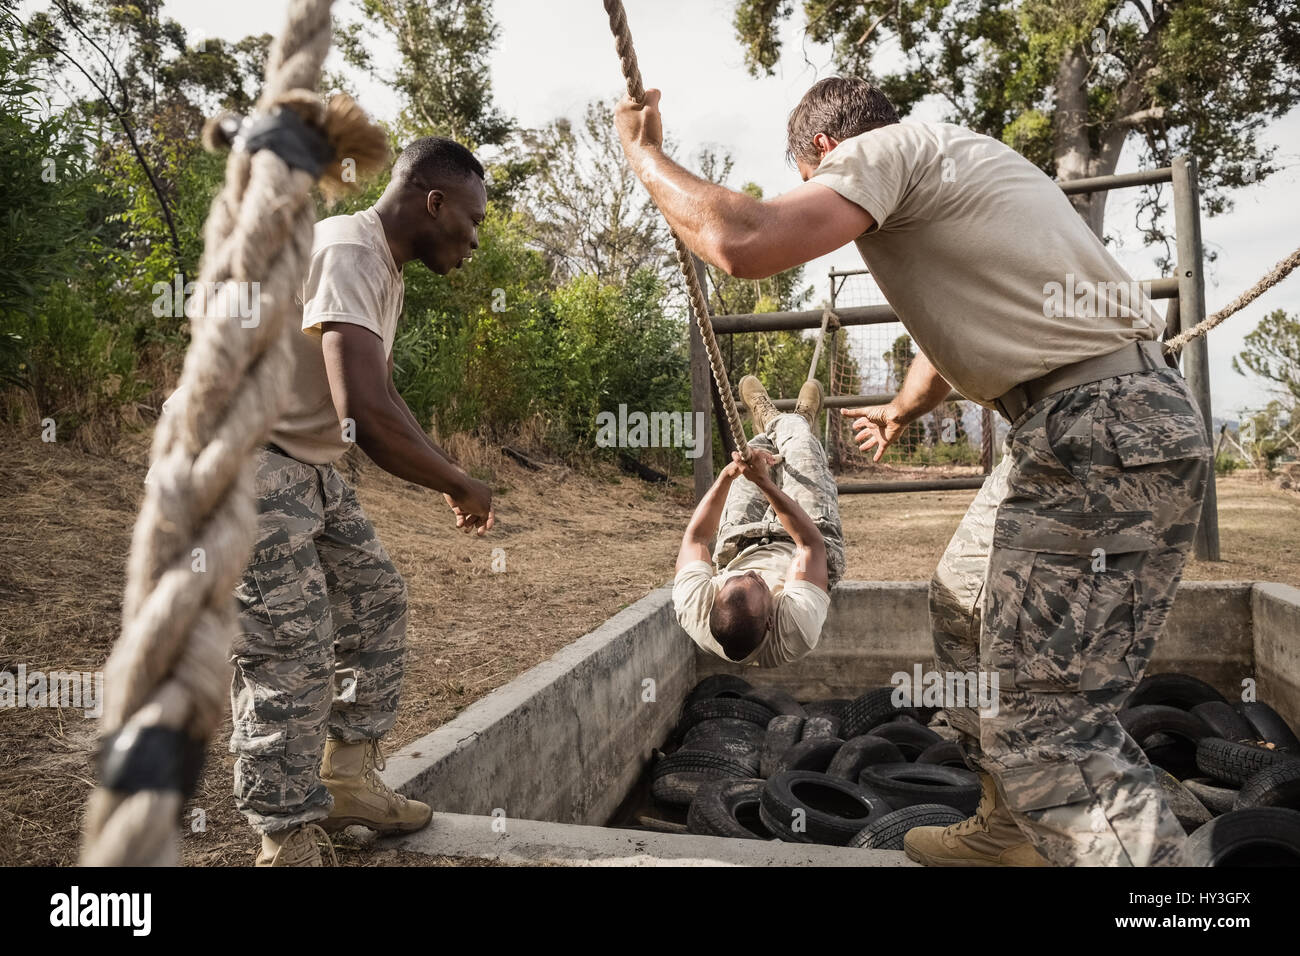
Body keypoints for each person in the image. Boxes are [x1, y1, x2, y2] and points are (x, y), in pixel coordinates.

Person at [615, 76, 1210, 867]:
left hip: (1100, 427)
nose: (822, 197)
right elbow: (942, 339)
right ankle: (1011, 825)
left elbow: (743, 242)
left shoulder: (879, 153)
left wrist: (642, 152)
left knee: (1049, 725)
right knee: (962, 601)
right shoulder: (958, 168)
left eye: (813, 182)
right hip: (1071, 423)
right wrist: (900, 412)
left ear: (825, 150)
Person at [231, 136, 495, 867]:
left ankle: (345, 781)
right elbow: (365, 416)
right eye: (471, 222)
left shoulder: (381, 263)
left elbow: (383, 394)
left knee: (376, 598)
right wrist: (455, 482)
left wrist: (451, 468)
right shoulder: (349, 249)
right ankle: (282, 834)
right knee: (291, 646)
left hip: (304, 465)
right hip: (246, 462)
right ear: (433, 202)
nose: (474, 242)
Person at [672, 376, 845, 667]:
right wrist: (764, 483)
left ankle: (779, 424)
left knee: (753, 450)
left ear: (714, 599)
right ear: (770, 621)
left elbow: (696, 538)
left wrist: (728, 475)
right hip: (808, 544)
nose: (753, 573)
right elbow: (809, 544)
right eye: (760, 584)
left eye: (739, 578)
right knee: (801, 446)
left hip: (741, 543)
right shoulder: (795, 628)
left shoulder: (694, 606)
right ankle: (796, 420)